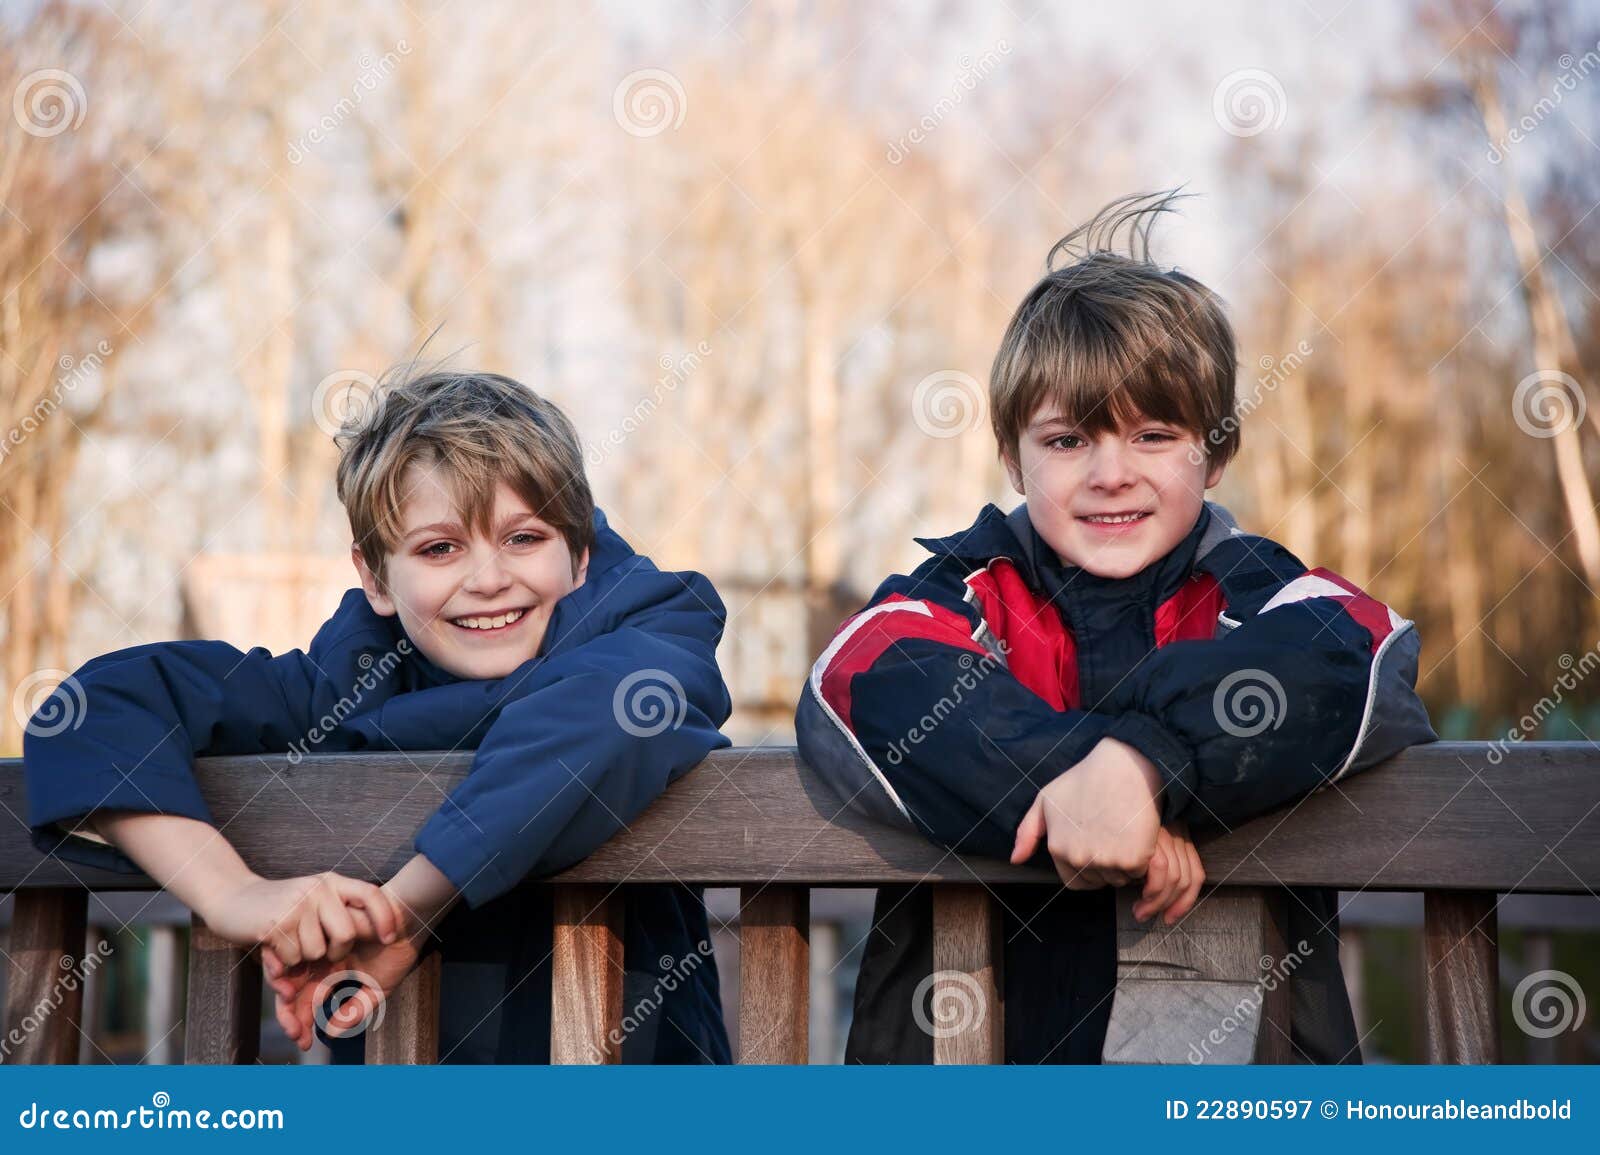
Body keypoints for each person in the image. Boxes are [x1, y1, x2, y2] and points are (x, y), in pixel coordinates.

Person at [795, 191, 1437, 1064]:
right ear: (1011, 457)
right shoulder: (968, 590)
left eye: (1153, 435)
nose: (1110, 473)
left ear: (1215, 453)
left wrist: (1147, 764)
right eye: (1067, 441)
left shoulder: (1256, 592)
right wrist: (1093, 787)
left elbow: (1361, 650)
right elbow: (859, 676)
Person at [24, 367, 734, 1062]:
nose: (489, 579)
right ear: (375, 578)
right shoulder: (333, 697)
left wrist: (409, 908)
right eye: (439, 548)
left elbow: (610, 713)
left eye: (523, 538)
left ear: (579, 554)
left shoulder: (653, 631)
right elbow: (94, 711)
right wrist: (235, 895)